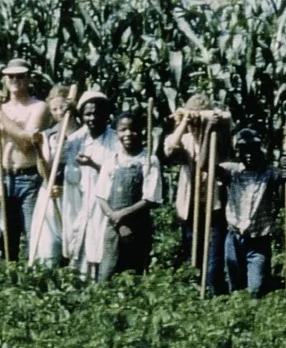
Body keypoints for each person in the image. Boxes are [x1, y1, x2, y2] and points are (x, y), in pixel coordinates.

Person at [0, 58, 50, 260]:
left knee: (34, 234)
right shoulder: (1, 108)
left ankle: (33, 278)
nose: (15, 80)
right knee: (6, 236)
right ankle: (10, 279)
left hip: (29, 178)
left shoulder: (38, 107)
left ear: (29, 79)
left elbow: (26, 142)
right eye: (11, 76)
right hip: (4, 178)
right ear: (5, 79)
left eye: (20, 76)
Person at [163, 95, 229, 294]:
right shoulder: (183, 138)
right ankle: (193, 288)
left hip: (214, 203)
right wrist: (184, 121)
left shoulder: (219, 136)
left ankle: (211, 290)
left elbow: (226, 116)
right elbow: (170, 150)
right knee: (193, 248)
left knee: (214, 254)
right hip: (190, 205)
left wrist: (206, 120)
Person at [94, 109, 163, 281]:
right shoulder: (111, 162)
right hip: (114, 227)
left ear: (141, 131)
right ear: (116, 132)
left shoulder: (149, 161)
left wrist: (121, 215)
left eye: (133, 129)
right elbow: (101, 197)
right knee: (107, 273)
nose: (128, 134)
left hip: (139, 226)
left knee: (134, 273)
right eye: (122, 130)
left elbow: (150, 198)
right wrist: (118, 222)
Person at [219, 128, 283, 297]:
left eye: (253, 149)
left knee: (255, 288)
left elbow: (285, 177)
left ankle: (255, 314)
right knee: (235, 285)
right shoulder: (231, 170)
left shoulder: (269, 172)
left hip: (259, 239)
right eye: (244, 150)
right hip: (234, 236)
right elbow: (205, 166)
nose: (249, 155)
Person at [28, 84, 81, 265]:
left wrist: (66, 190)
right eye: (54, 109)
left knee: (75, 244)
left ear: (71, 107)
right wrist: (37, 149)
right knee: (48, 245)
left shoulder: (84, 134)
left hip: (75, 196)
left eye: (62, 108)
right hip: (50, 193)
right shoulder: (47, 136)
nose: (59, 112)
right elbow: (43, 171)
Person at [66, 90, 117, 274]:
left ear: (106, 115)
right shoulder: (76, 139)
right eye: (88, 114)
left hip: (106, 202)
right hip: (81, 200)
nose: (92, 118)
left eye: (97, 113)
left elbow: (117, 172)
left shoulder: (115, 139)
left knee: (101, 242)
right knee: (79, 240)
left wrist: (94, 165)